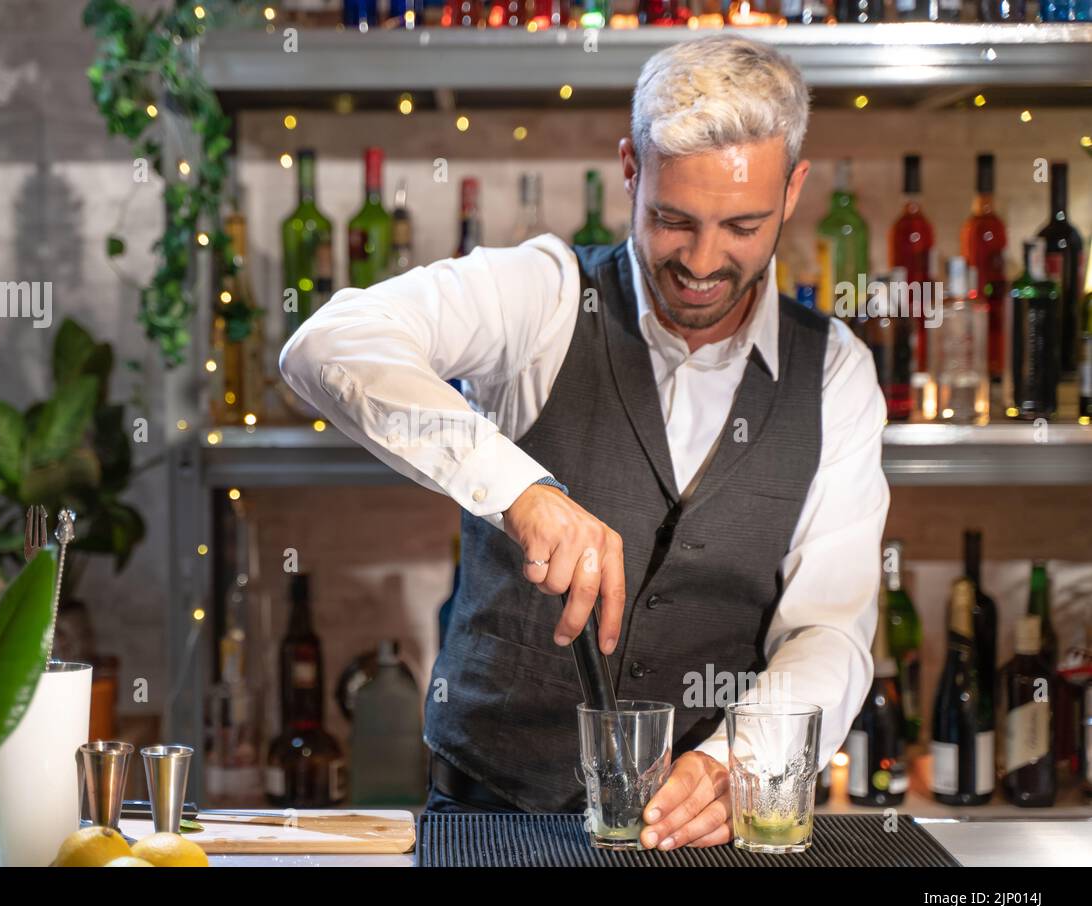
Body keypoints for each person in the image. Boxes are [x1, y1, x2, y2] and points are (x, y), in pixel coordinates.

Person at [280, 34, 888, 850]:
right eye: (674, 220)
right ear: (631, 169)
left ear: (792, 190)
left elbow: (829, 628)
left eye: (743, 225)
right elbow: (328, 345)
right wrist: (520, 491)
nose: (705, 261)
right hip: (495, 820)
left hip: (701, 835)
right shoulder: (543, 297)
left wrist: (735, 760)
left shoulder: (834, 374)